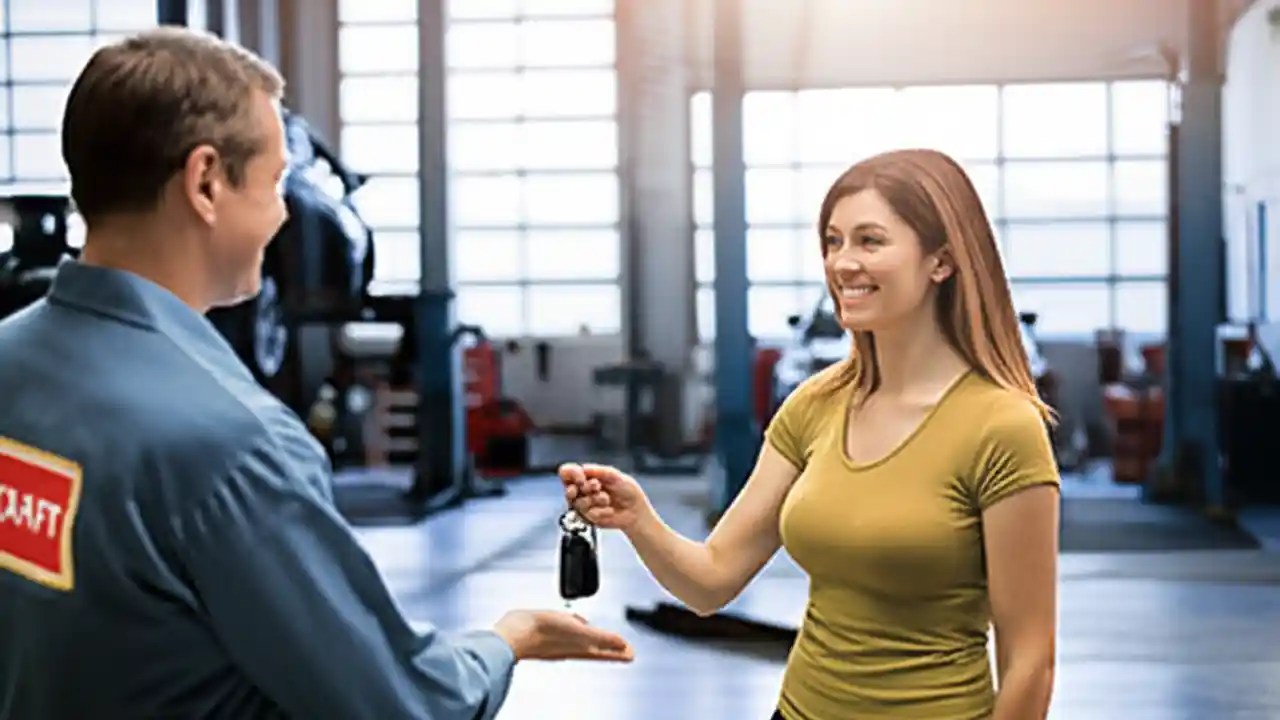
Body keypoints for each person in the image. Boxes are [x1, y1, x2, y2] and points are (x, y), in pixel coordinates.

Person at [0, 27, 632, 720]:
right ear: (206, 182)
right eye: (275, 182)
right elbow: (402, 705)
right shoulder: (233, 445)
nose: (282, 213)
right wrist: (506, 641)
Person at [562, 148, 1060, 720]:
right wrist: (638, 518)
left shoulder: (1001, 427)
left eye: (870, 241)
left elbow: (1030, 662)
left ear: (940, 262)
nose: (842, 263)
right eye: (833, 241)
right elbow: (711, 581)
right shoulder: (815, 405)